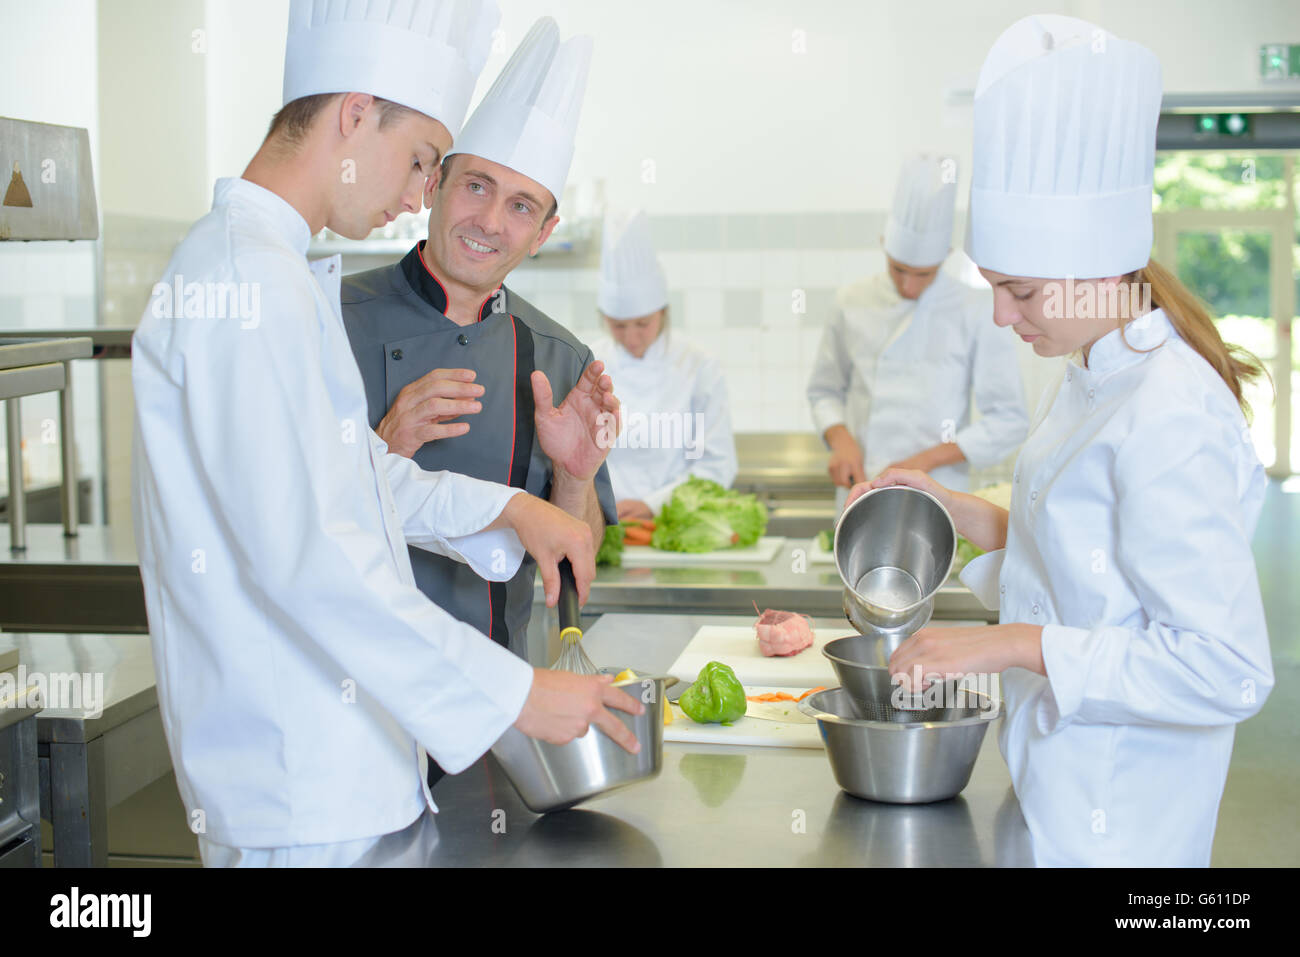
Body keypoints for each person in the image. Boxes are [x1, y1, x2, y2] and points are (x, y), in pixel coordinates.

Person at [131, 0, 641, 868]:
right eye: (424, 164)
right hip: (301, 789)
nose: (417, 196)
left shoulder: (266, 271)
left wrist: (516, 507)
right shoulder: (246, 284)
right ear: (355, 114)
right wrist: (518, 693)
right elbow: (310, 558)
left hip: (343, 781)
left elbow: (355, 480)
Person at [853, 13, 1273, 866]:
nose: (1003, 317)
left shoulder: (1170, 411)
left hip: (1122, 828)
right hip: (1049, 787)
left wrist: (1006, 642)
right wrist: (957, 508)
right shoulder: (1094, 373)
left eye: (1023, 293)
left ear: (1095, 275)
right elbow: (1089, 562)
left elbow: (1224, 667)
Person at [808, 154, 1028, 498]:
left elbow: (1008, 418)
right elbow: (824, 390)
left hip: (939, 489)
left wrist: (924, 461)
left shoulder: (975, 310)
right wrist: (840, 440)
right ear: (883, 246)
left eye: (923, 274)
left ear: (946, 256)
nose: (909, 286)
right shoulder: (850, 302)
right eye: (898, 269)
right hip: (861, 483)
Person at [589, 209, 738, 520]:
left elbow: (717, 465)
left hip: (676, 522)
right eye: (618, 325)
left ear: (663, 312)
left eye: (642, 323)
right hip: (600, 523)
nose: (631, 337)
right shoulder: (588, 364)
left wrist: (653, 505)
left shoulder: (699, 367)